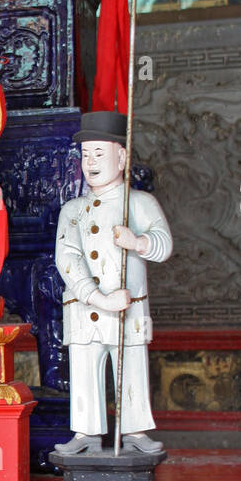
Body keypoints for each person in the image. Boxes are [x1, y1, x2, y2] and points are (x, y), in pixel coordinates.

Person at [54, 110, 173, 455]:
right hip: (86, 308)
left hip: (128, 310)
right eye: (85, 154)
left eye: (99, 153)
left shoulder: (139, 202)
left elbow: (163, 245)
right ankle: (86, 433)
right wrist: (97, 298)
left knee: (131, 370)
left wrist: (137, 243)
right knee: (85, 372)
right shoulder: (72, 210)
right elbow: (67, 258)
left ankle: (135, 431)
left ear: (121, 157)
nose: (90, 162)